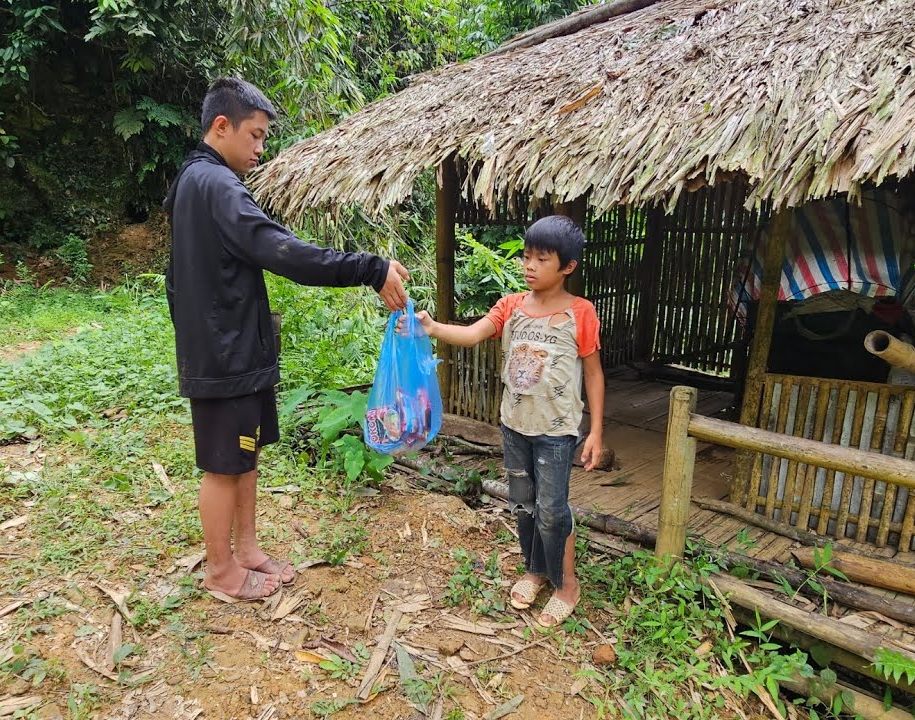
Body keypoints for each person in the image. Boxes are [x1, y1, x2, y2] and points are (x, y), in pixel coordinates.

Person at [164, 77, 410, 600]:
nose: (259, 148)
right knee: (222, 464)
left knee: (245, 453)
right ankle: (221, 571)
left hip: (233, 346)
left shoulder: (196, 183)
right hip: (223, 351)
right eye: (254, 136)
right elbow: (283, 252)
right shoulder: (215, 186)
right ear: (221, 127)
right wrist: (369, 267)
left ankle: (247, 550)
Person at [414, 215, 603, 628]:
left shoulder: (581, 313)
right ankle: (535, 571)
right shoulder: (511, 306)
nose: (529, 265)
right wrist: (431, 327)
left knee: (552, 510)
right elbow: (473, 334)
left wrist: (597, 432)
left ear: (567, 267)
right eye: (527, 257)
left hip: (557, 432)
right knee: (523, 504)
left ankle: (566, 583)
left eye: (541, 259)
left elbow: (593, 373)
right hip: (514, 425)